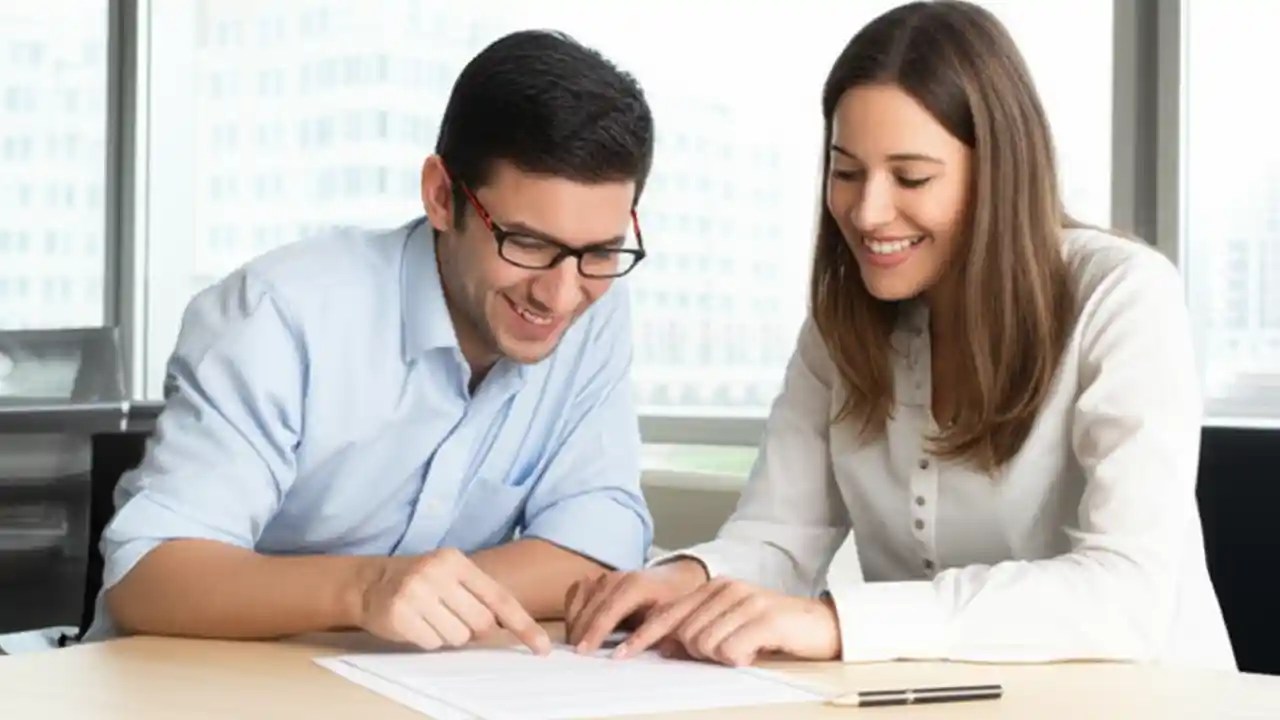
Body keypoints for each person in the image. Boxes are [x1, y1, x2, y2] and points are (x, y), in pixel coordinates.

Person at [565, 0, 1235, 671]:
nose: (867, 212)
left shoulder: (1124, 295)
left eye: (911, 177)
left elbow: (1124, 594)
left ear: (998, 174)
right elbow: (779, 537)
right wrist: (683, 581)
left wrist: (838, 622)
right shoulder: (842, 322)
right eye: (846, 172)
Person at [87, 30, 656, 653]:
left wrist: (431, 597)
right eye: (527, 243)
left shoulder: (595, 308)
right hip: (192, 679)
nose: (560, 295)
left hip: (407, 681)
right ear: (441, 196)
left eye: (600, 252)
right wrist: (366, 590)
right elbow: (147, 579)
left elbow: (598, 546)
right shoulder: (279, 314)